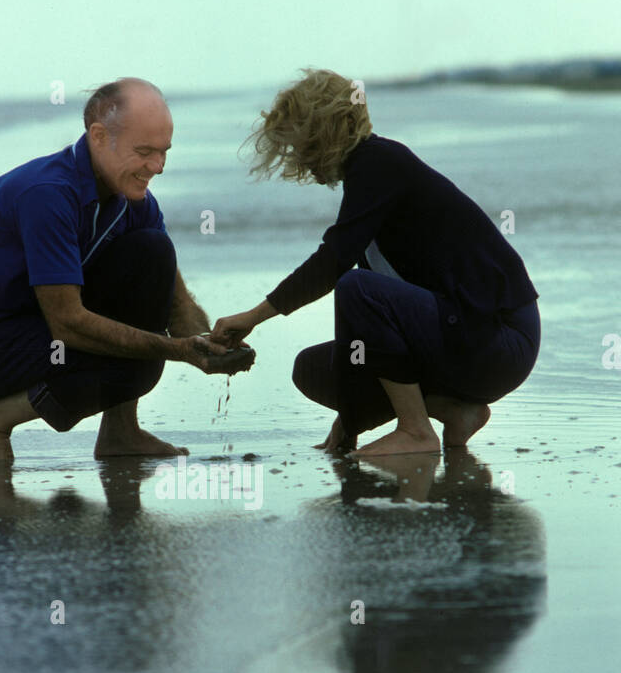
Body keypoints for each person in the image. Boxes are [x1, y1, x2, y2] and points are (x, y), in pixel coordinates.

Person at [210, 69, 540, 456]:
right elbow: (374, 327)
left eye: (302, 144)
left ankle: (416, 431)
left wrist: (251, 317)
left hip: (501, 341)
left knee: (356, 287)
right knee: (314, 369)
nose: (299, 157)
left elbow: (332, 263)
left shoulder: (380, 162)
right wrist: (347, 424)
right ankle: (454, 410)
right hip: (460, 338)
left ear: (326, 130)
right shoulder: (368, 181)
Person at [0, 77, 229, 462]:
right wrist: (177, 350)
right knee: (133, 364)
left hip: (32, 324)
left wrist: (211, 344)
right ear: (99, 137)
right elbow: (67, 324)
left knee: (153, 251)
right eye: (145, 152)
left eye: (164, 152)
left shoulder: (134, 200)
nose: (158, 167)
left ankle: (121, 433)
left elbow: (177, 304)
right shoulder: (48, 194)